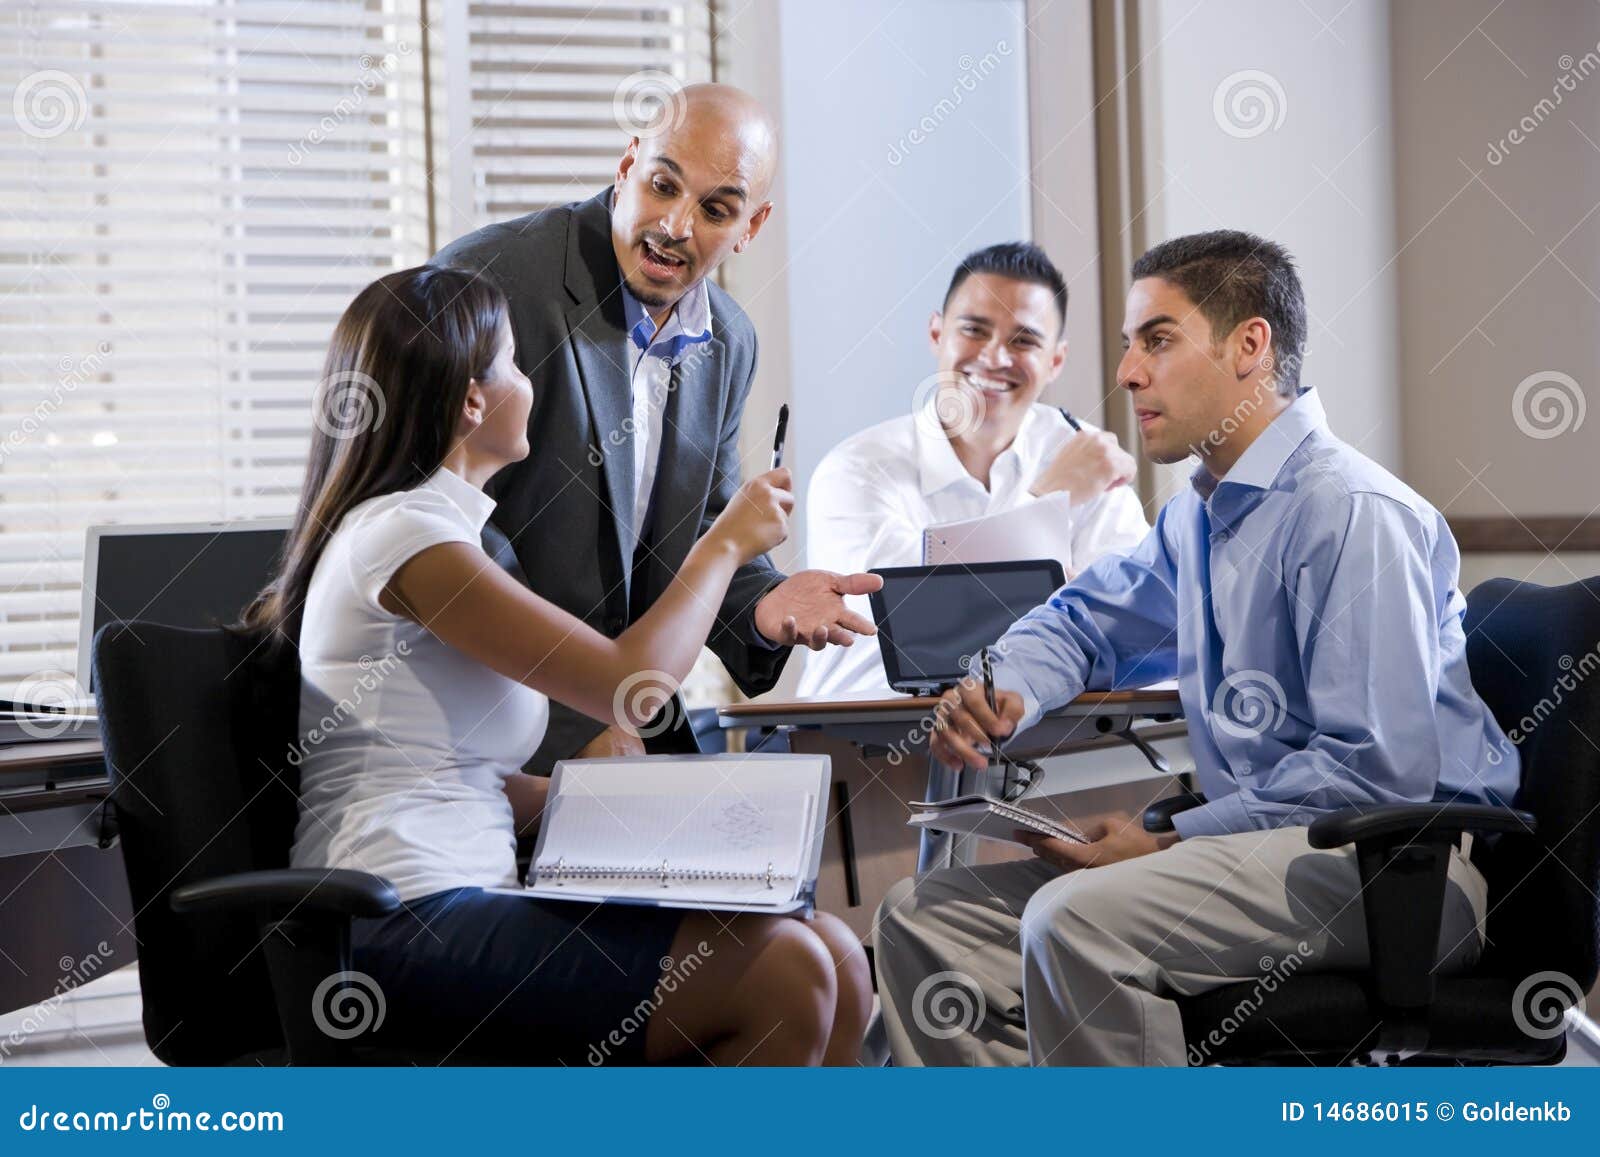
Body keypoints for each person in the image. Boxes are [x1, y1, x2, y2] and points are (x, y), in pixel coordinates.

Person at [872, 230, 1518, 1066]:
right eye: (1129, 345)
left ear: (1251, 346)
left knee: (1074, 920)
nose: (1128, 372)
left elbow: (1372, 770)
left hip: (1396, 870)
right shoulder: (1200, 514)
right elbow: (1084, 622)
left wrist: (1176, 836)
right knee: (925, 917)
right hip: (1264, 850)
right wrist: (1004, 685)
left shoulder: (1352, 512)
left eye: (1158, 340)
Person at [243, 266, 871, 1065]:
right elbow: (629, 684)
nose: (527, 381)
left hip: (469, 891)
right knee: (785, 973)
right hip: (394, 918)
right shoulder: (405, 538)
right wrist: (725, 543)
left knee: (841, 959)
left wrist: (598, 801)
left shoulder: (445, 535)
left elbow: (453, 774)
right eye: (510, 363)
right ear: (471, 401)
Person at [433, 82, 879, 771]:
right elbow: (449, 520)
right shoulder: (494, 280)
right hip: (489, 712)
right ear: (626, 167)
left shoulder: (728, 341)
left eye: (715, 209)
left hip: (632, 714)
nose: (675, 225)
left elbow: (700, 528)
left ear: (750, 227)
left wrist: (762, 607)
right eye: (664, 186)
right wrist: (566, 726)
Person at [799, 242, 1148, 696]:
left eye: (1024, 340)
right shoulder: (857, 470)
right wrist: (1051, 501)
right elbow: (916, 626)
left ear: (1055, 360)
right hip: (867, 737)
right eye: (974, 330)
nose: (995, 357)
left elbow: (1128, 619)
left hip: (1047, 735)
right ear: (936, 334)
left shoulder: (1086, 453)